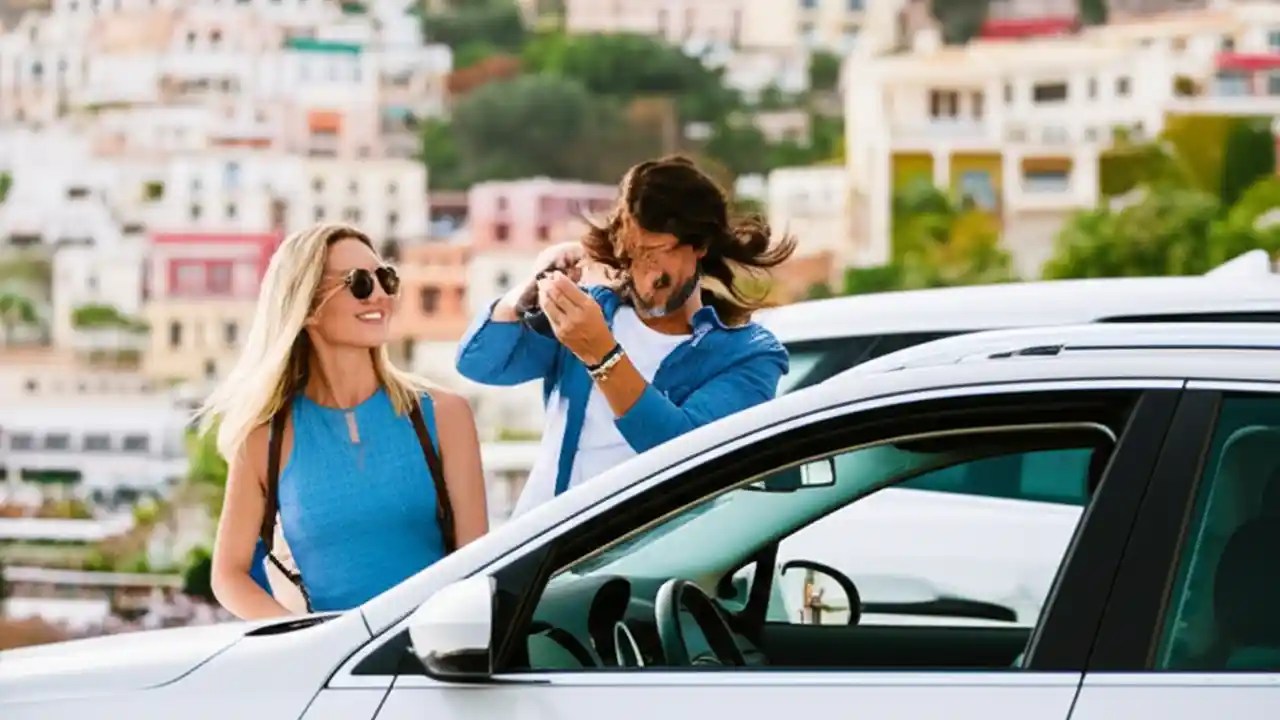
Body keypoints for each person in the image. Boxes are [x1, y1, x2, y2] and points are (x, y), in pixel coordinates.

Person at [457, 155, 796, 516]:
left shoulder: (748, 355)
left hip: (644, 565)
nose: (646, 278)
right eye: (633, 255)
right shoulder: (591, 311)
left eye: (656, 253)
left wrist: (601, 355)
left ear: (700, 245)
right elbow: (479, 363)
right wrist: (526, 292)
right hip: (541, 555)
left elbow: (688, 457)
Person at [199, 223, 488, 619]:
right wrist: (305, 642)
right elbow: (228, 575)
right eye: (359, 283)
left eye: (386, 278)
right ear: (307, 306)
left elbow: (476, 566)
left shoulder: (444, 415)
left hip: (435, 665)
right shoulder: (265, 437)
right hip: (336, 672)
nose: (382, 295)